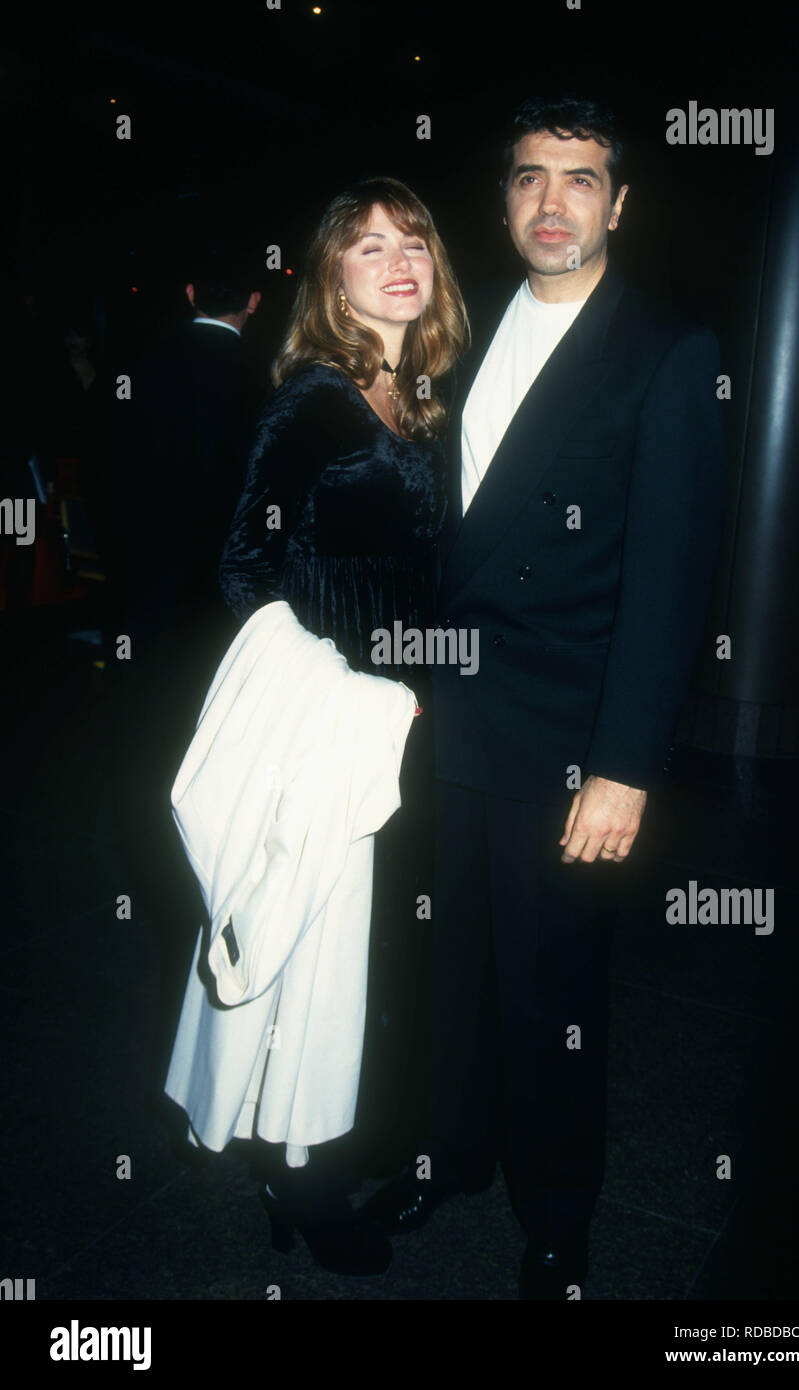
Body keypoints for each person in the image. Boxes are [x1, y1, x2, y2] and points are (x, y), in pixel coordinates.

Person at [363, 96, 727, 1299]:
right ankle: (451, 1154)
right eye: (530, 179)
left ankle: (558, 1218)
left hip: (570, 744)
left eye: (580, 181)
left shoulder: (667, 355)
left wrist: (626, 766)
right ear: (507, 199)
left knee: (553, 994)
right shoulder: (456, 337)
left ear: (618, 205)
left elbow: (670, 584)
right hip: (449, 722)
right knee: (449, 968)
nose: (553, 203)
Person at [215, 177, 468, 1275]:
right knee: (311, 947)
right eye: (368, 247)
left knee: (367, 957)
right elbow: (243, 569)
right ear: (332, 277)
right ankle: (298, 1174)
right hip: (336, 716)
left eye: (412, 241)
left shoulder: (418, 395)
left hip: (407, 722)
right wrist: (336, 689)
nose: (398, 260)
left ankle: (344, 1136)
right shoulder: (313, 399)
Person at [102, 248, 266, 1097]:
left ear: (193, 290)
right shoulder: (270, 379)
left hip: (152, 605)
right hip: (229, 617)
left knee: (156, 763)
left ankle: (171, 903)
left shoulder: (142, 369)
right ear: (255, 297)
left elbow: (113, 486)